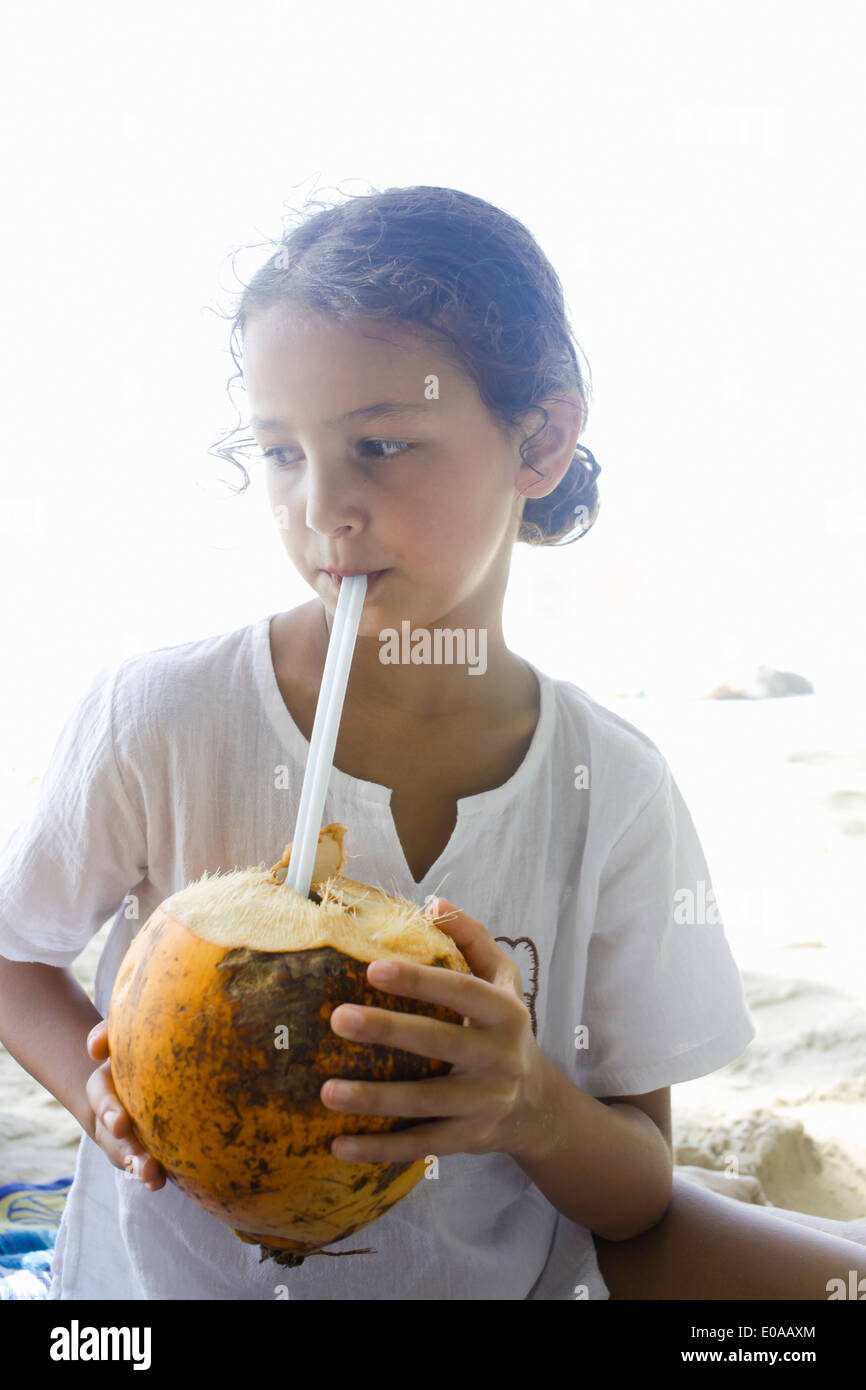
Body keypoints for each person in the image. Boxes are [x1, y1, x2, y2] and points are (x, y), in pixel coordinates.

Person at [0, 185, 863, 1301]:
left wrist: (526, 1104)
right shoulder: (161, 716)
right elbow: (17, 955)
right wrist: (103, 1096)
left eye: (381, 442)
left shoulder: (614, 791)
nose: (323, 509)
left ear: (540, 439)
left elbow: (637, 1191)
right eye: (279, 453)